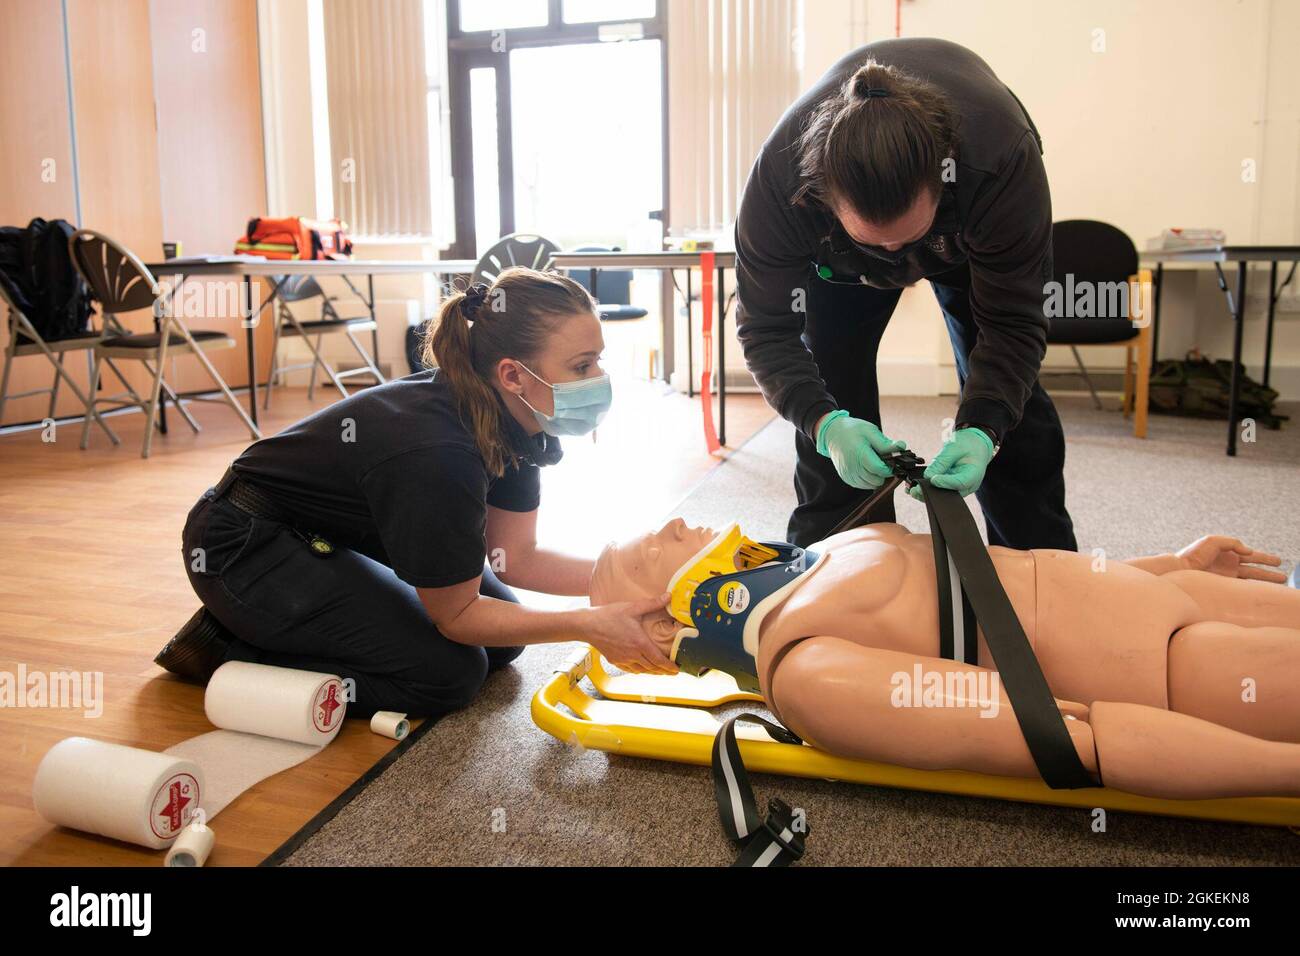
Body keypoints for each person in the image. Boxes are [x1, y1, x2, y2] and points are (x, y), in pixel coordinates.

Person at [156, 267, 674, 718]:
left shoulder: (514, 418)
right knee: (449, 673)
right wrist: (590, 624)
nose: (599, 378)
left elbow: (515, 557)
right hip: (242, 543)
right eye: (582, 366)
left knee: (506, 640)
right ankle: (228, 646)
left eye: (597, 361)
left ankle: (314, 608)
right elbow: (458, 617)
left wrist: (639, 582)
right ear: (513, 374)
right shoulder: (439, 452)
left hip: (323, 533)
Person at [591, 517, 1300, 800]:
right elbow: (1067, 739)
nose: (678, 524)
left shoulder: (823, 553)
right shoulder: (808, 672)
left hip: (1170, 592)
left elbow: (1003, 572)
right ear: (660, 628)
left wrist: (1164, 566)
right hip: (1172, 665)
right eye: (655, 545)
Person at [734, 38, 1076, 550]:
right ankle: (841, 571)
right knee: (830, 398)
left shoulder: (999, 161)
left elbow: (1015, 324)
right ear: (824, 197)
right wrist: (825, 425)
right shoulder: (781, 188)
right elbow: (766, 329)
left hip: (965, 244)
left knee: (1012, 414)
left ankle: (1040, 568)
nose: (895, 255)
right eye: (876, 239)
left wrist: (984, 429)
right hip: (836, 264)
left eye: (906, 234)